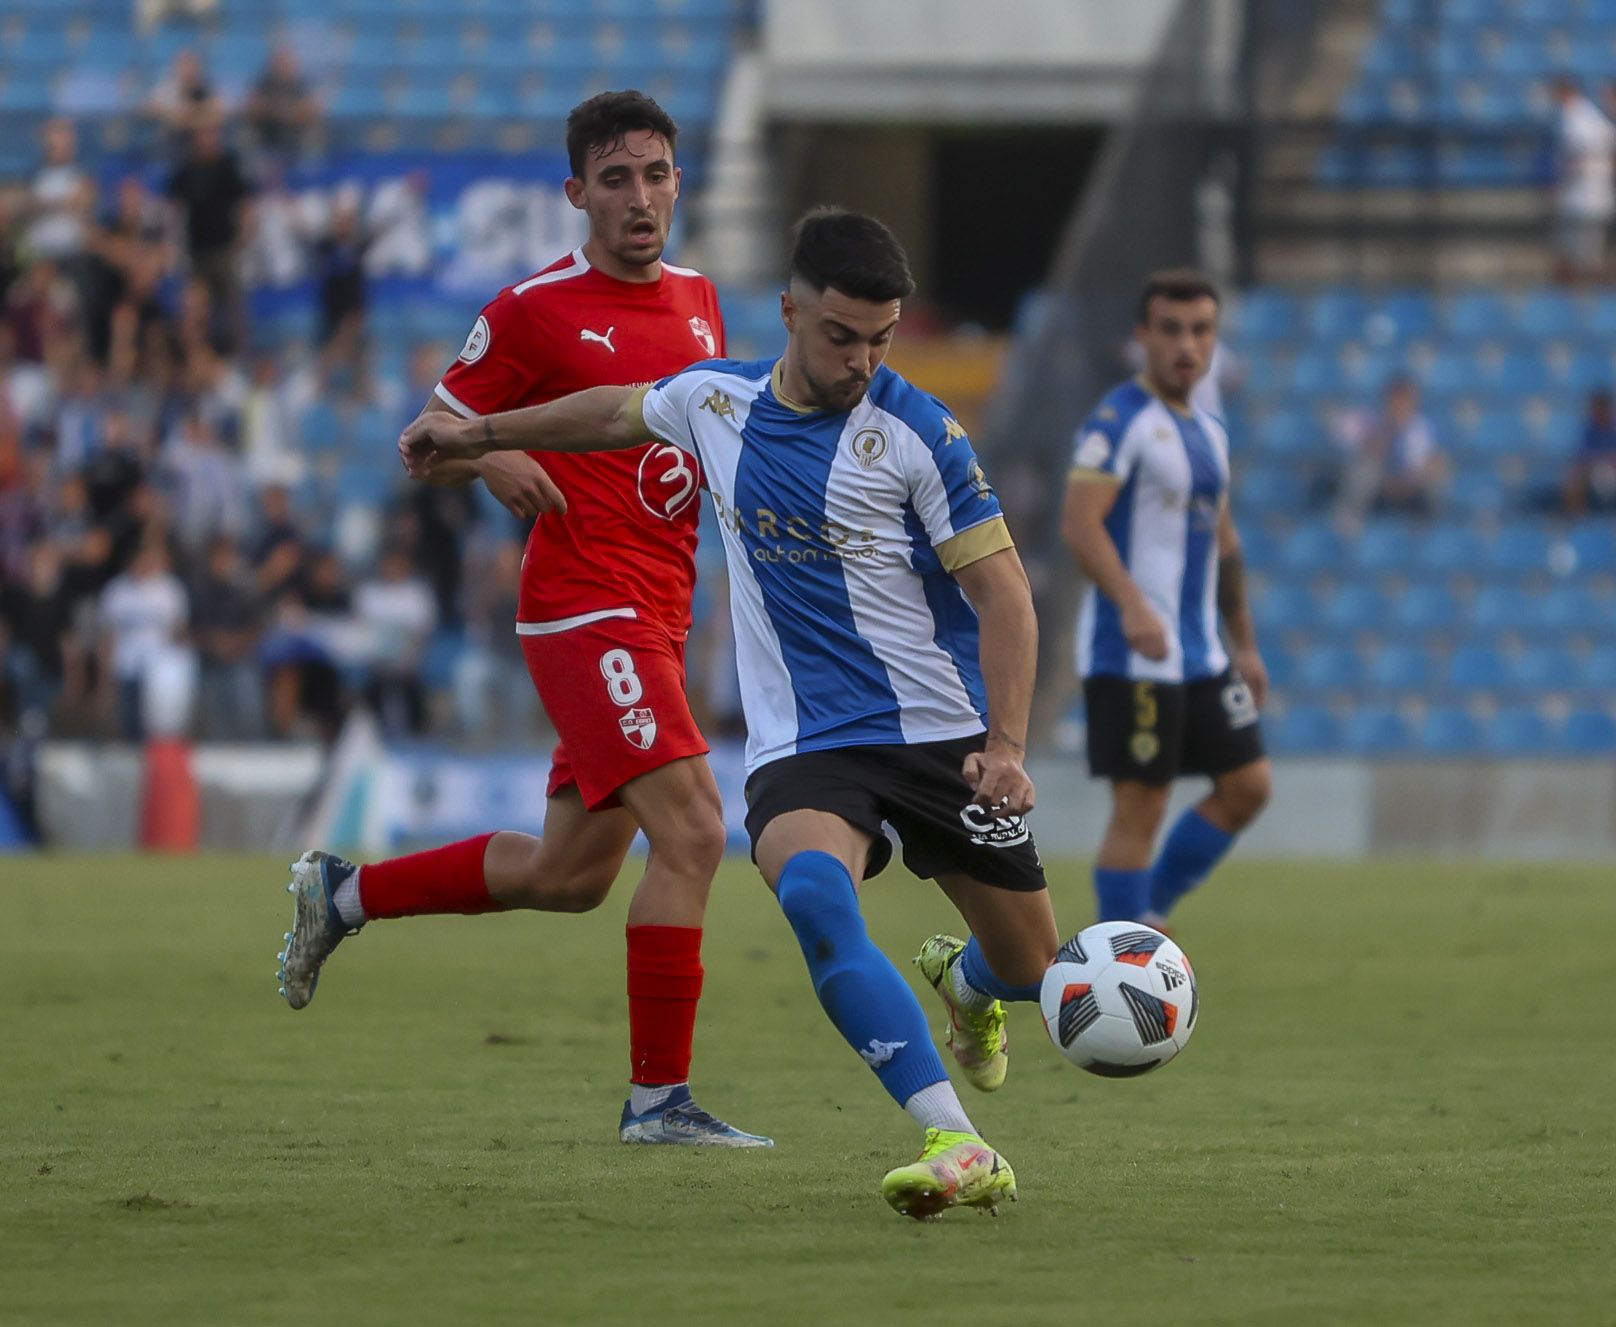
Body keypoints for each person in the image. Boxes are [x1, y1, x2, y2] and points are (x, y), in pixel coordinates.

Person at [400, 207, 1054, 1220]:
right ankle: (955, 1140)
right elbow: (612, 411)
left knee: (1032, 966)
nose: (859, 360)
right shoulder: (717, 399)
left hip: (942, 739)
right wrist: (479, 435)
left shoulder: (918, 433)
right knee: (811, 899)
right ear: (790, 312)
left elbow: (1004, 594)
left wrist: (1005, 747)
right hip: (807, 745)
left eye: (880, 339)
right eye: (840, 335)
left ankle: (967, 982)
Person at [274, 91, 769, 1148]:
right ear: (575, 193)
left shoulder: (700, 299)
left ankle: (343, 895)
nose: (639, 198)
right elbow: (427, 435)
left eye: (656, 174)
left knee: (570, 875)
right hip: (585, 607)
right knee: (689, 830)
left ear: (680, 181)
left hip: (659, 612)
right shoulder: (533, 308)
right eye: (616, 179)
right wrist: (488, 450)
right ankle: (657, 1104)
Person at [1061, 270, 1272, 932]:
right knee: (1142, 806)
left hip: (1201, 654)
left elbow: (1225, 541)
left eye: (1201, 329)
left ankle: (1144, 915)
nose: (1187, 344)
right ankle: (1120, 964)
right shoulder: (1118, 421)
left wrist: (1247, 644)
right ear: (1143, 336)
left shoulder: (1208, 430)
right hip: (1134, 654)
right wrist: (1130, 604)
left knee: (1248, 787)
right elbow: (1079, 522)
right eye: (1172, 329)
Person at [1331, 375, 1447, 522]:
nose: (1401, 407)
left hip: (1408, 486)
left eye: (1407, 402)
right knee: (1365, 466)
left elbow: (1420, 464)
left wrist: (1408, 479)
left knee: (1440, 467)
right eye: (1397, 401)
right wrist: (1377, 437)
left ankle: (1429, 525)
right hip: (1376, 486)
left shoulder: (1421, 428)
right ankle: (1349, 520)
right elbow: (1337, 437)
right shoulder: (1366, 419)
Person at [1550, 76, 1616, 284]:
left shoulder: (1584, 115)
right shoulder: (1578, 114)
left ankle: (1590, 272)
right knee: (1579, 229)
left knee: (1589, 230)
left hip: (1589, 180)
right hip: (1583, 183)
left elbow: (1589, 149)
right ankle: (1580, 271)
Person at [1561, 387, 1616, 515]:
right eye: (1597, 409)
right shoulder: (1588, 431)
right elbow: (1583, 457)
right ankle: (1579, 522)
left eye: (1603, 408)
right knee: (1574, 478)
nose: (1600, 412)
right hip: (1592, 472)